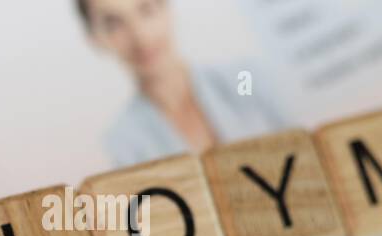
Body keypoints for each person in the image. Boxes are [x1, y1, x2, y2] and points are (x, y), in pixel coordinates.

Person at [77, 0, 288, 167]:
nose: (140, 36)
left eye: (146, 9)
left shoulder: (245, 79)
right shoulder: (122, 142)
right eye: (114, 24)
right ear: (95, 38)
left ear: (167, 9)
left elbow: (302, 154)